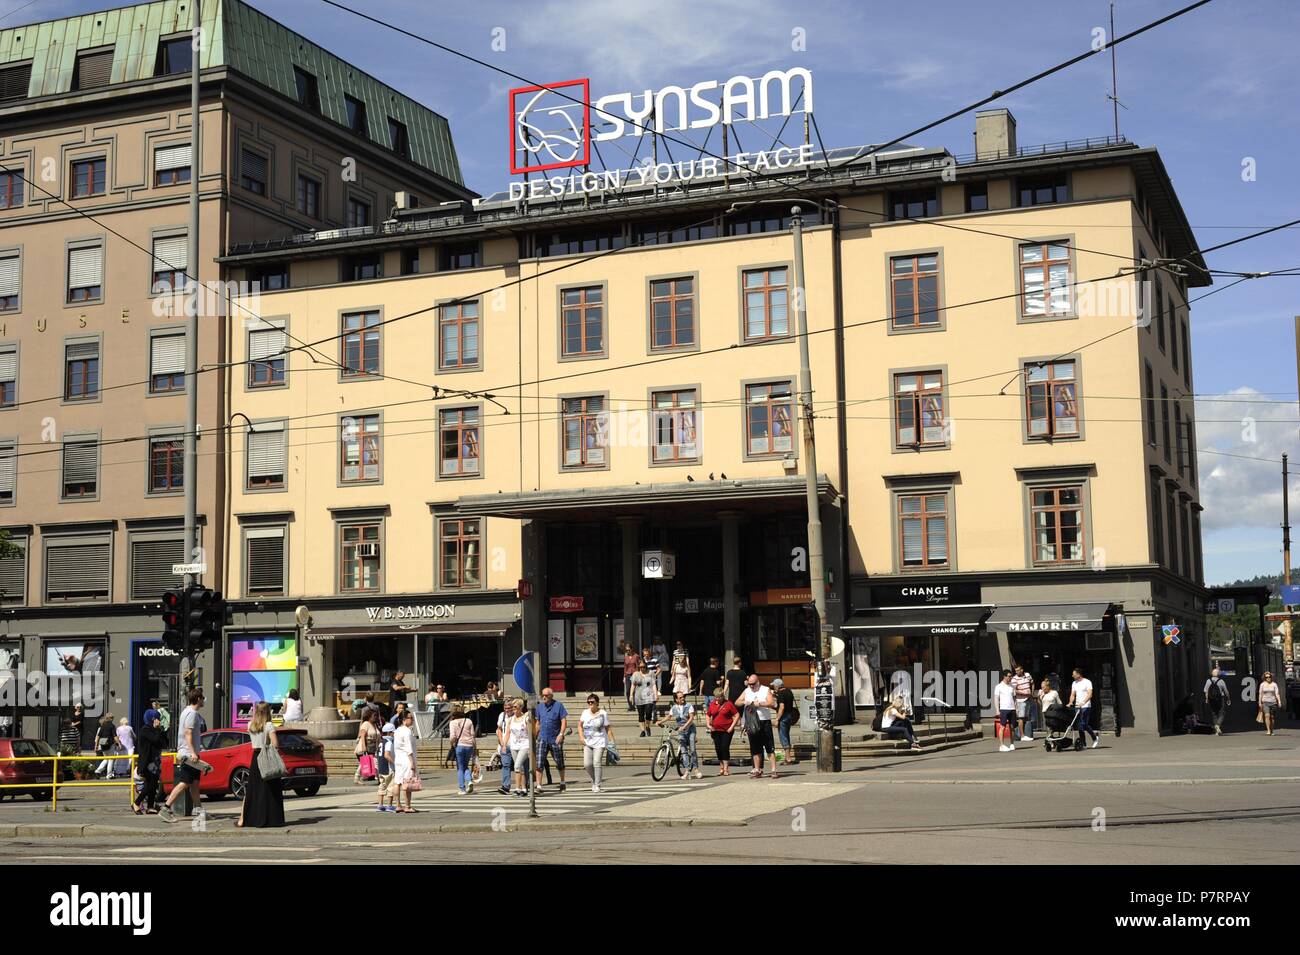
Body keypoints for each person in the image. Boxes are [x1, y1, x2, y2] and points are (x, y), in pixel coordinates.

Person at [159, 689, 206, 824]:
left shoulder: (186, 711)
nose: (203, 700)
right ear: (198, 699)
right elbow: (188, 733)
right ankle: (166, 808)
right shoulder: (191, 714)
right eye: (202, 698)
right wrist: (192, 753)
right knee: (185, 782)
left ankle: (198, 810)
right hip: (189, 754)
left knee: (195, 783)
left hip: (189, 753)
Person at [238, 701, 286, 828]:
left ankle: (248, 819)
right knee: (270, 789)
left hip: (255, 757)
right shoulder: (269, 725)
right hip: (266, 757)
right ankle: (271, 819)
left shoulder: (250, 725)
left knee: (254, 790)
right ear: (267, 711)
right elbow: (275, 744)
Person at [739, 674, 779, 778]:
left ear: (758, 682)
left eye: (753, 684)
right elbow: (737, 702)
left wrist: (760, 704)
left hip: (764, 721)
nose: (751, 686)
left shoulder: (765, 689)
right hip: (752, 721)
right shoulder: (747, 691)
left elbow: (771, 703)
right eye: (749, 684)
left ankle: (773, 769)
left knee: (769, 746)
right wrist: (745, 702)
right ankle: (757, 769)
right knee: (755, 747)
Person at [658, 691, 702, 779]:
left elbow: (691, 718)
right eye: (680, 697)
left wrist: (685, 726)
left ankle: (696, 769)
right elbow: (669, 717)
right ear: (676, 699)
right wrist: (660, 722)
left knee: (692, 750)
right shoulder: (674, 707)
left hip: (690, 730)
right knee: (684, 751)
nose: (683, 698)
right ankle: (687, 771)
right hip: (681, 731)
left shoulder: (689, 706)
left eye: (683, 697)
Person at [534, 687, 568, 793]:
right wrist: (535, 736)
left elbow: (563, 721)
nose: (544, 697)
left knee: (559, 762)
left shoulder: (558, 705)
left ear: (551, 696)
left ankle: (562, 782)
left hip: (555, 738)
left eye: (546, 695)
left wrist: (561, 734)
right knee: (539, 763)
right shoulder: (539, 707)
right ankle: (539, 785)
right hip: (542, 738)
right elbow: (538, 723)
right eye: (542, 695)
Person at [133, 709, 166, 815]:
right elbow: (155, 740)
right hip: (147, 762)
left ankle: (150, 806)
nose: (159, 721)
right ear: (152, 719)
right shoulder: (145, 730)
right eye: (157, 718)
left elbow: (162, 743)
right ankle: (136, 803)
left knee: (153, 784)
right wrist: (157, 730)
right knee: (150, 785)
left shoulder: (154, 730)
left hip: (154, 762)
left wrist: (160, 730)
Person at [578, 694, 613, 793]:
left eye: (592, 702)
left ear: (597, 703)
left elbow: (608, 728)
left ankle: (597, 784)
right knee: (587, 764)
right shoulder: (585, 713)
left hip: (600, 741)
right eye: (588, 702)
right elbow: (580, 726)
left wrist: (612, 742)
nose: (590, 704)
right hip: (588, 742)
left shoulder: (603, 713)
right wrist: (581, 737)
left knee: (597, 762)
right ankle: (594, 780)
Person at [393, 710, 421, 813]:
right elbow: (408, 748)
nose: (412, 720)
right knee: (407, 783)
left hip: (398, 759)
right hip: (406, 759)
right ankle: (407, 806)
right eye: (410, 718)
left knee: (397, 782)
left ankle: (398, 805)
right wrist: (412, 762)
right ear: (404, 720)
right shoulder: (407, 731)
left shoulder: (397, 731)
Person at [707, 686, 740, 775]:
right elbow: (708, 714)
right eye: (716, 697)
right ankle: (721, 766)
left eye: (719, 697)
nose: (717, 699)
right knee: (718, 748)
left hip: (726, 730)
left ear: (723, 696)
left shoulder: (729, 704)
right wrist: (708, 724)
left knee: (724, 747)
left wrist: (732, 727)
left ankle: (726, 769)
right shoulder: (712, 704)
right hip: (715, 730)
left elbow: (737, 715)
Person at [505, 699, 533, 797]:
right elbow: (508, 732)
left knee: (517, 765)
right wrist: (504, 745)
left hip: (524, 745)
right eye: (512, 707)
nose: (513, 709)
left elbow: (530, 731)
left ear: (521, 707)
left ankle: (517, 788)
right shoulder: (510, 719)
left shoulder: (525, 717)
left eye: (515, 707)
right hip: (514, 745)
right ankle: (523, 788)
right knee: (519, 768)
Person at [1067, 667, 1100, 748]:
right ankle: (1083, 743)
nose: (1072, 676)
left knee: (1084, 724)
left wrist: (1084, 702)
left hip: (1086, 706)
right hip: (1077, 707)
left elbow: (1090, 694)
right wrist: (1070, 702)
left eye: (1073, 674)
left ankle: (1095, 738)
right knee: (1080, 726)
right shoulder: (1074, 683)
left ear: (1078, 674)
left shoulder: (1087, 682)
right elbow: (1073, 694)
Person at [448, 706, 477, 795]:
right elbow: (473, 735)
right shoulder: (468, 721)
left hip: (459, 746)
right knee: (465, 766)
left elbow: (453, 736)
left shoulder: (452, 722)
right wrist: (475, 747)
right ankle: (469, 781)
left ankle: (462, 788)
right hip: (469, 745)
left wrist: (452, 743)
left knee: (460, 768)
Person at [772, 677, 797, 765]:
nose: (773, 687)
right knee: (786, 735)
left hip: (783, 717)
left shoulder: (781, 693)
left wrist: (777, 719)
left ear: (777, 686)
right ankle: (788, 757)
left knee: (783, 737)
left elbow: (782, 707)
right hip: (790, 716)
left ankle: (788, 759)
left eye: (774, 686)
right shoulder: (788, 691)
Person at [631, 661, 658, 737]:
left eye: (643, 667)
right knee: (641, 715)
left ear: (646, 666)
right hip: (638, 697)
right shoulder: (635, 674)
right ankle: (643, 731)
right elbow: (633, 685)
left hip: (649, 696)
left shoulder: (651, 673)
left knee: (648, 713)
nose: (642, 668)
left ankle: (647, 726)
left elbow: (653, 685)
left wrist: (656, 694)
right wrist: (631, 695)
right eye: (640, 667)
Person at [375, 722, 397, 812]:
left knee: (382, 786)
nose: (394, 734)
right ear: (389, 733)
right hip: (389, 768)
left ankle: (380, 805)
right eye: (393, 732)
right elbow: (387, 755)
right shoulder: (389, 743)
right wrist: (395, 763)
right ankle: (389, 805)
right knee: (391, 786)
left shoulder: (381, 742)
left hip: (381, 768)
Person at [994, 670, 1017, 753]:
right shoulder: (998, 686)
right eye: (1009, 676)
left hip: (1012, 709)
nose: (1010, 678)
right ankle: (1001, 745)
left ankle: (1012, 744)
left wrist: (1016, 708)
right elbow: (996, 699)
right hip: (1003, 709)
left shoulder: (1012, 686)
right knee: (1002, 727)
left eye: (1011, 676)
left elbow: (1014, 698)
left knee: (1012, 727)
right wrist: (997, 710)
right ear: (1004, 676)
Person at [353, 710, 379, 783]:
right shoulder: (365, 724)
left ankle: (357, 777)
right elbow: (362, 735)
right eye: (374, 716)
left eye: (376, 716)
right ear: (369, 716)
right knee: (369, 762)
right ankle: (380, 778)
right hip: (366, 746)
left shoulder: (374, 724)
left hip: (373, 747)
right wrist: (364, 747)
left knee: (366, 762)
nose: (376, 717)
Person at [1011, 663, 1034, 742]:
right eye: (1015, 671)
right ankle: (1022, 735)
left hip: (1028, 699)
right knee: (1021, 718)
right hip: (1020, 700)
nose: (1016, 672)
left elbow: (1032, 683)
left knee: (1027, 717)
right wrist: (1024, 693)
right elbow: (1013, 690)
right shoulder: (1014, 679)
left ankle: (1027, 734)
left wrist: (1032, 692)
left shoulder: (1027, 675)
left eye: (1018, 670)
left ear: (1022, 670)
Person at [1204, 666, 1230, 736]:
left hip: (1211, 699)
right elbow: (1226, 691)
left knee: (1214, 714)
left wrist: (1207, 699)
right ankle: (1218, 725)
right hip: (1220, 699)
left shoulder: (1208, 681)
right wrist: (1228, 698)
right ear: (1218, 674)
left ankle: (1216, 731)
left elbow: (1206, 691)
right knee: (1222, 713)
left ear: (1212, 674)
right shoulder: (1221, 681)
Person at [495, 701, 514, 795]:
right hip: (505, 746)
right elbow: (499, 729)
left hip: (516, 745)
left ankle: (524, 785)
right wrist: (501, 742)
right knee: (506, 766)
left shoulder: (517, 716)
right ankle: (506, 787)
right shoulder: (502, 715)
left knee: (520, 767)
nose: (507, 710)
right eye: (505, 708)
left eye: (509, 708)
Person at [1259, 671, 1281, 735]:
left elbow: (1277, 694)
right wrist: (1259, 702)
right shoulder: (1262, 684)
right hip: (1265, 702)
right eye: (1266, 677)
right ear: (1264, 678)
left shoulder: (1274, 684)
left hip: (1273, 702)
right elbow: (1260, 694)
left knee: (1272, 717)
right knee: (1267, 715)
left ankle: (1272, 730)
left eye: (1269, 677)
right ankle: (1268, 730)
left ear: (1271, 677)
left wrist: (1279, 701)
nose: (1268, 678)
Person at [622, 644, 641, 712]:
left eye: (629, 650)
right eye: (626, 650)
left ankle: (636, 704)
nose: (627, 651)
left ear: (632, 649)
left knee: (635, 691)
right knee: (627, 691)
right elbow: (625, 667)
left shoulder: (636, 656)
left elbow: (639, 666)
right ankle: (630, 706)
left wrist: (639, 674)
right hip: (628, 675)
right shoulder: (626, 657)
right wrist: (624, 676)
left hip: (635, 674)